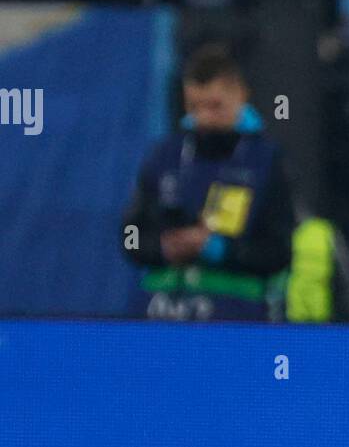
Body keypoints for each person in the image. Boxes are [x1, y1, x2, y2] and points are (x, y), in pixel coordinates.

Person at [121, 42, 296, 321]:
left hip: (237, 318)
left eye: (215, 106)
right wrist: (165, 246)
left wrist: (218, 249)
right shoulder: (164, 156)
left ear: (240, 95)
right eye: (194, 106)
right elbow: (130, 238)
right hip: (161, 316)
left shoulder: (265, 162)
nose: (203, 117)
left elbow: (279, 252)